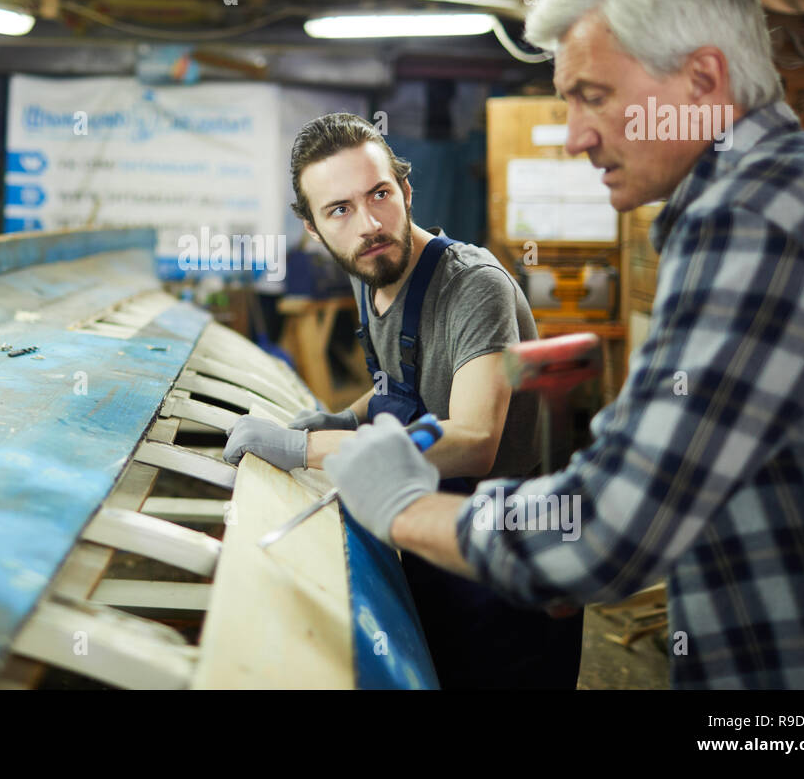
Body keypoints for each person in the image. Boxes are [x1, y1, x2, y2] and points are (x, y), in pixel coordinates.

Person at [324, 0, 804, 688]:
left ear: (702, 78)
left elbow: (607, 529)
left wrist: (400, 507)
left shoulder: (754, 219)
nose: (577, 136)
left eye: (594, 96)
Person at [222, 113, 583, 688]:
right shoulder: (368, 268)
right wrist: (349, 415)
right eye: (339, 209)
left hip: (504, 551)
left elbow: (472, 443)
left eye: (380, 194)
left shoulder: (472, 286)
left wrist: (308, 446)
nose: (368, 223)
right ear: (313, 229)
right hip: (429, 533)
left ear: (406, 190)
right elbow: (401, 386)